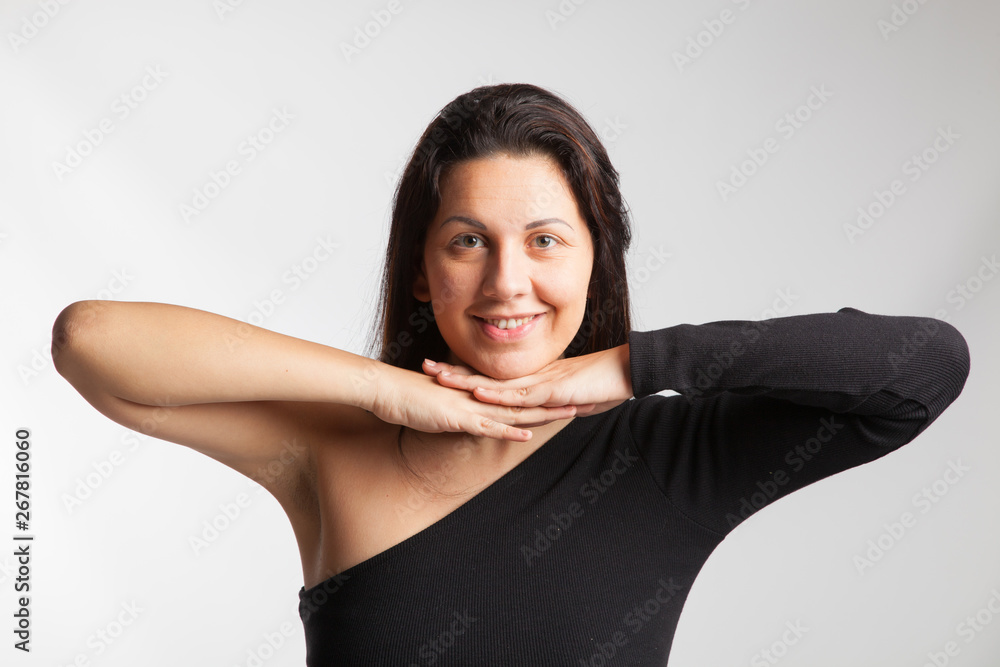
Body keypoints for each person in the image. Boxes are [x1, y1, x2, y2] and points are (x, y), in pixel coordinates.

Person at [53, 83, 971, 665]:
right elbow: (91, 341)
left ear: (592, 262)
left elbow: (923, 367)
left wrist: (635, 365)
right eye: (467, 242)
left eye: (544, 241)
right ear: (421, 270)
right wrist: (385, 389)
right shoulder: (331, 450)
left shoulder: (668, 454)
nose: (506, 282)